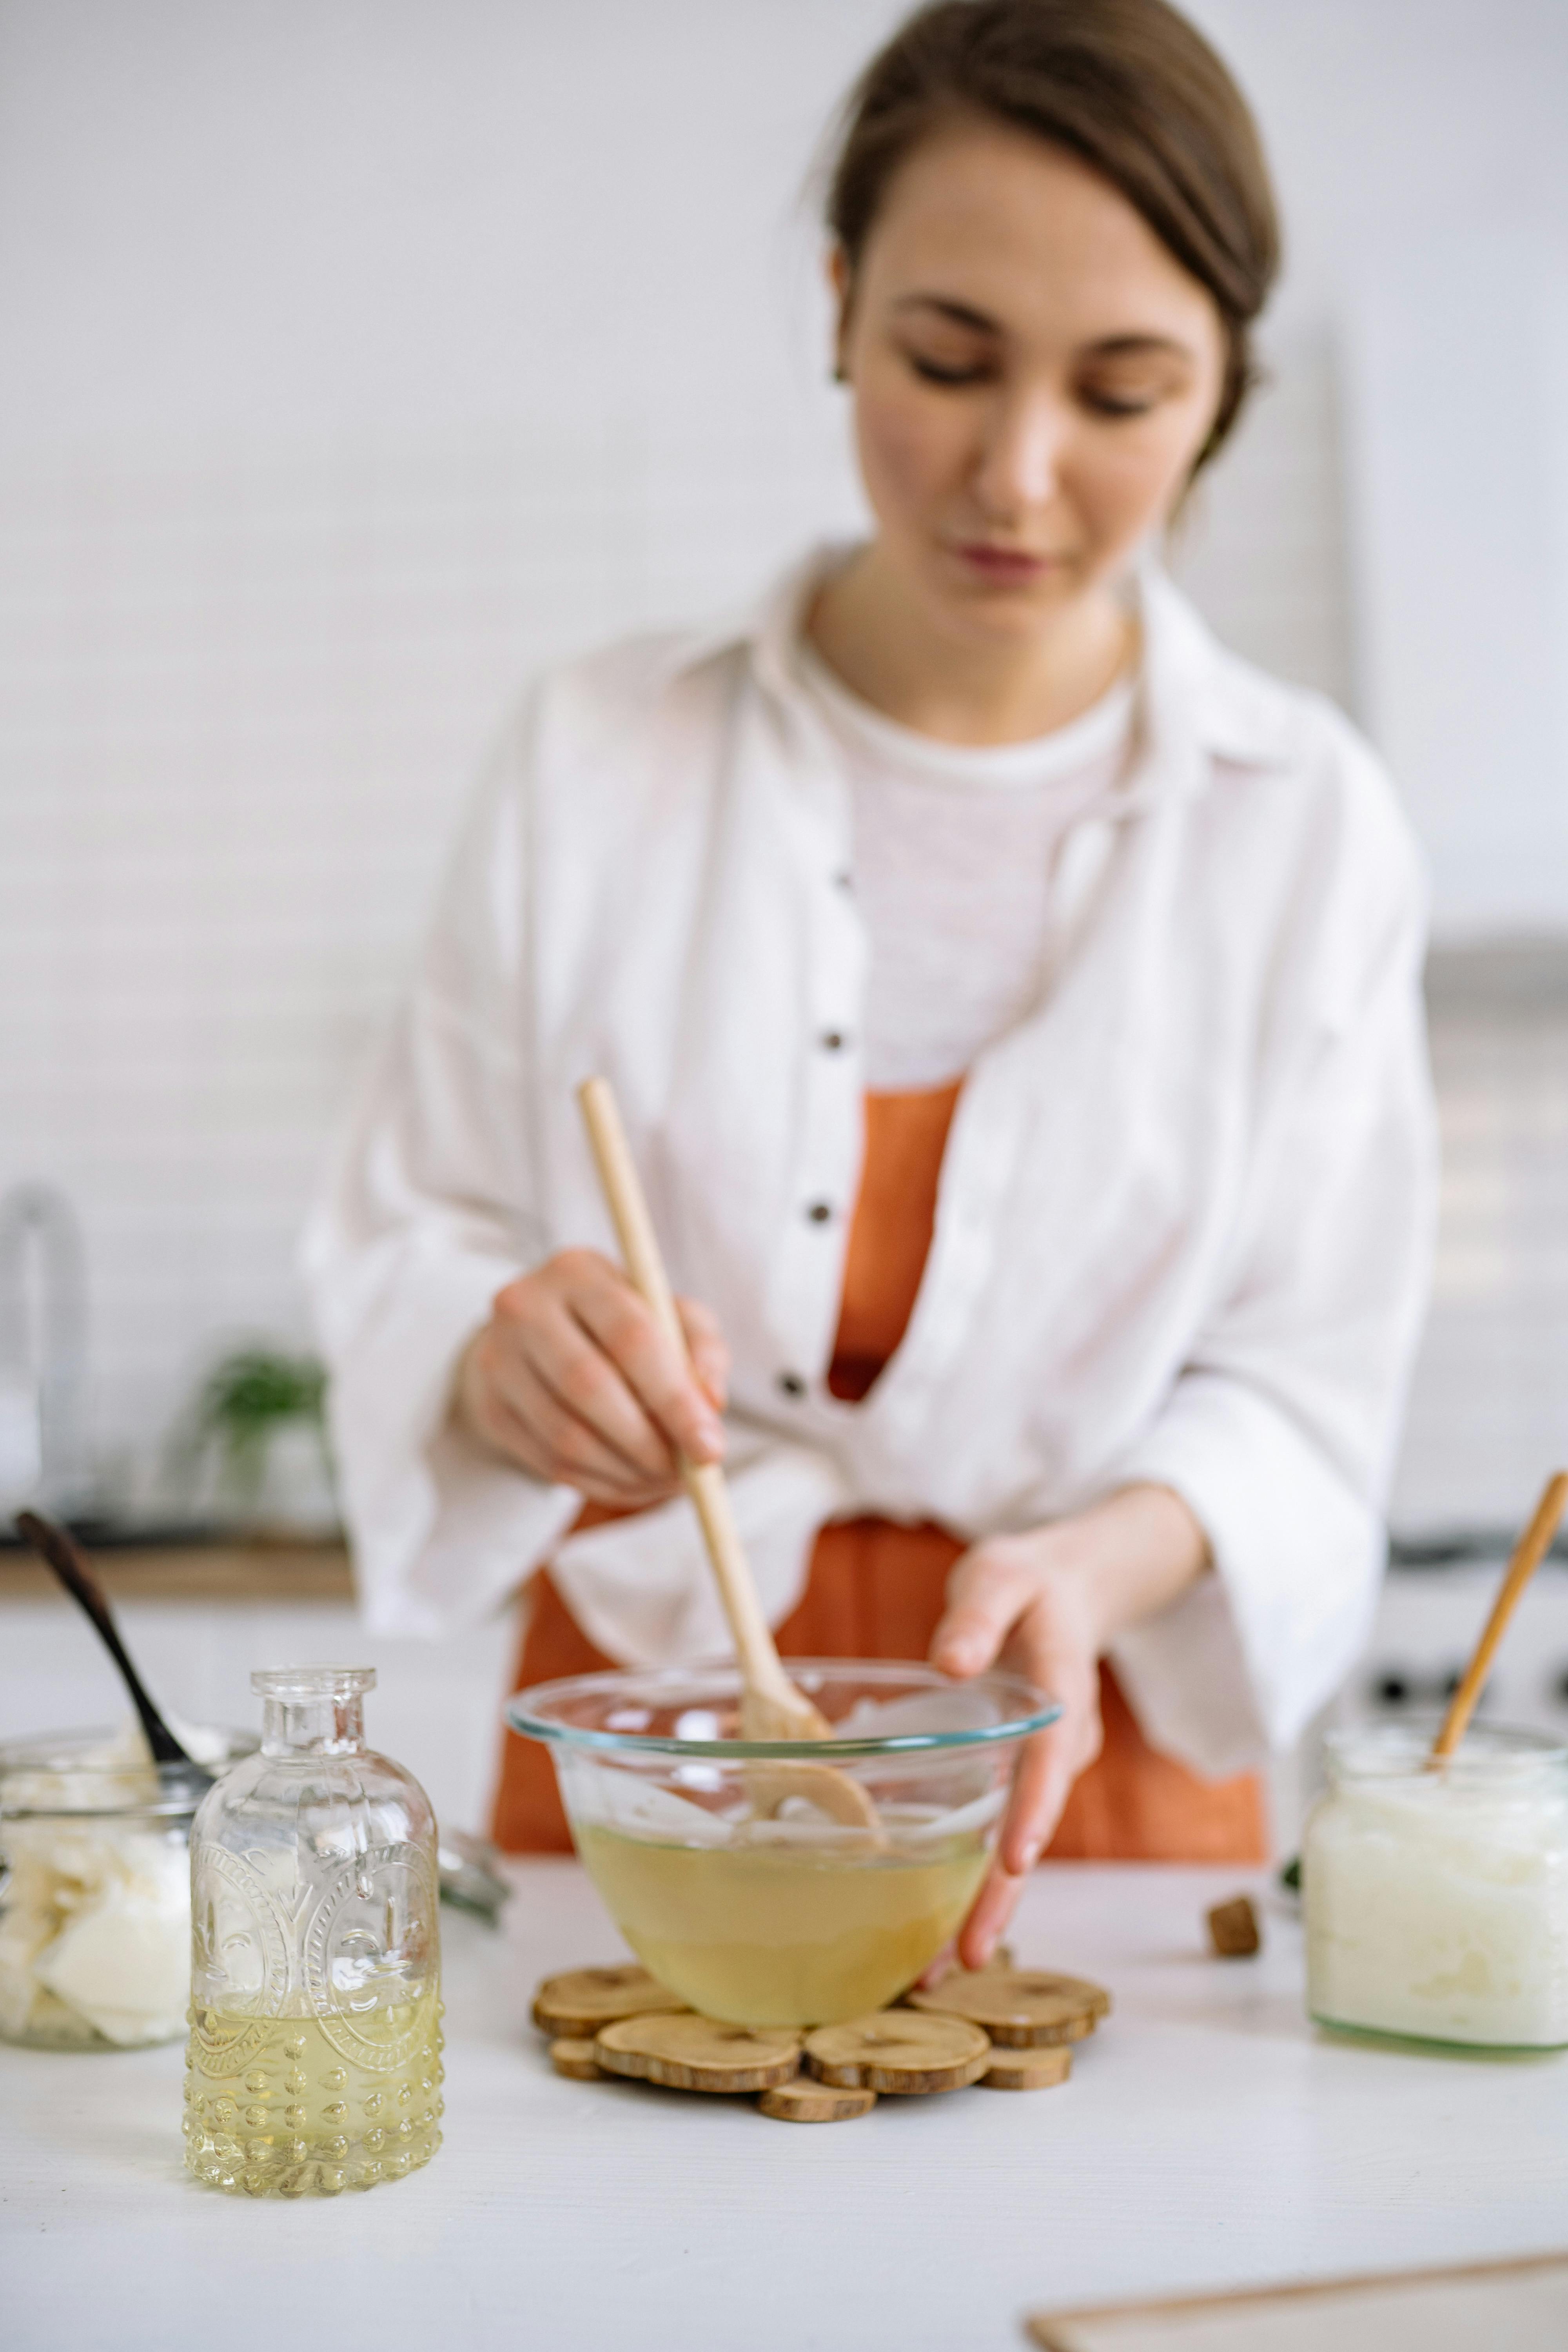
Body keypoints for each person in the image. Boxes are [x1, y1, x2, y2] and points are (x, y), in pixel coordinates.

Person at [304, 0, 1436, 1964]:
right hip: (649, 1762)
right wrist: (505, 1362)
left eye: (1123, 392)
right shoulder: (593, 755)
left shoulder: (1307, 822)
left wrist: (1095, 1562)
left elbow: (1307, 1392)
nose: (1016, 472)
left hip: (1085, 1757)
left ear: (1221, 393)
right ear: (839, 307)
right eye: (945, 359)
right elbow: (417, 1233)